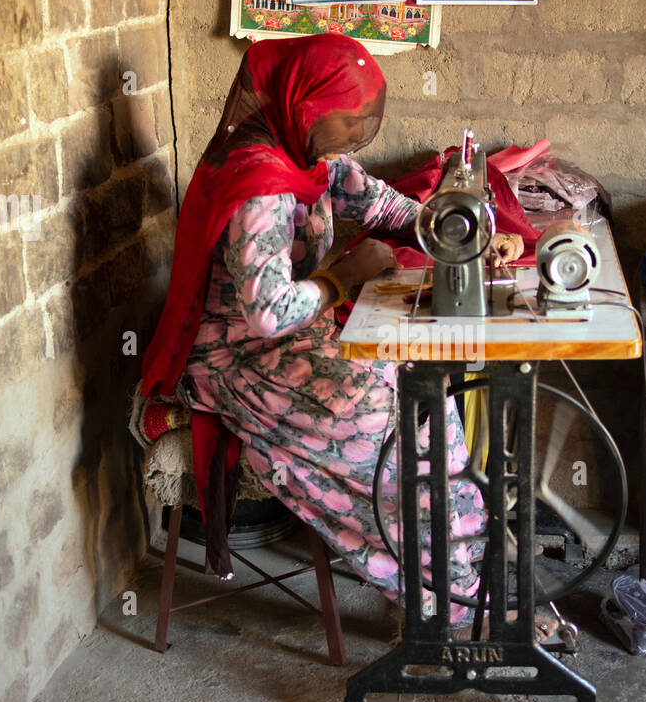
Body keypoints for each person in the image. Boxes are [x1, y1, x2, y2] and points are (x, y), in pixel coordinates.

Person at [139, 34, 542, 641]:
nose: (352, 142)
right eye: (344, 126)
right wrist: (341, 276)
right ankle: (445, 603)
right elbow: (270, 312)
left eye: (361, 129)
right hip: (238, 360)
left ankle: (460, 572)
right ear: (303, 105)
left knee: (424, 395)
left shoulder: (306, 157)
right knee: (388, 429)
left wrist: (461, 230)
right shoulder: (261, 186)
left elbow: (378, 204)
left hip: (291, 342)